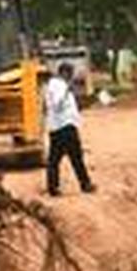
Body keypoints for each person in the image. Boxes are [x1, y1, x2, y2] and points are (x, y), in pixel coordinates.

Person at [44, 63, 95, 197]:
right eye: (70, 74)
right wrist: (67, 89)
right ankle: (85, 184)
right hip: (64, 127)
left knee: (55, 159)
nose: (71, 77)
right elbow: (57, 104)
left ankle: (53, 187)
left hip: (59, 127)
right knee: (75, 157)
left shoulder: (58, 86)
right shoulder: (58, 86)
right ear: (65, 73)